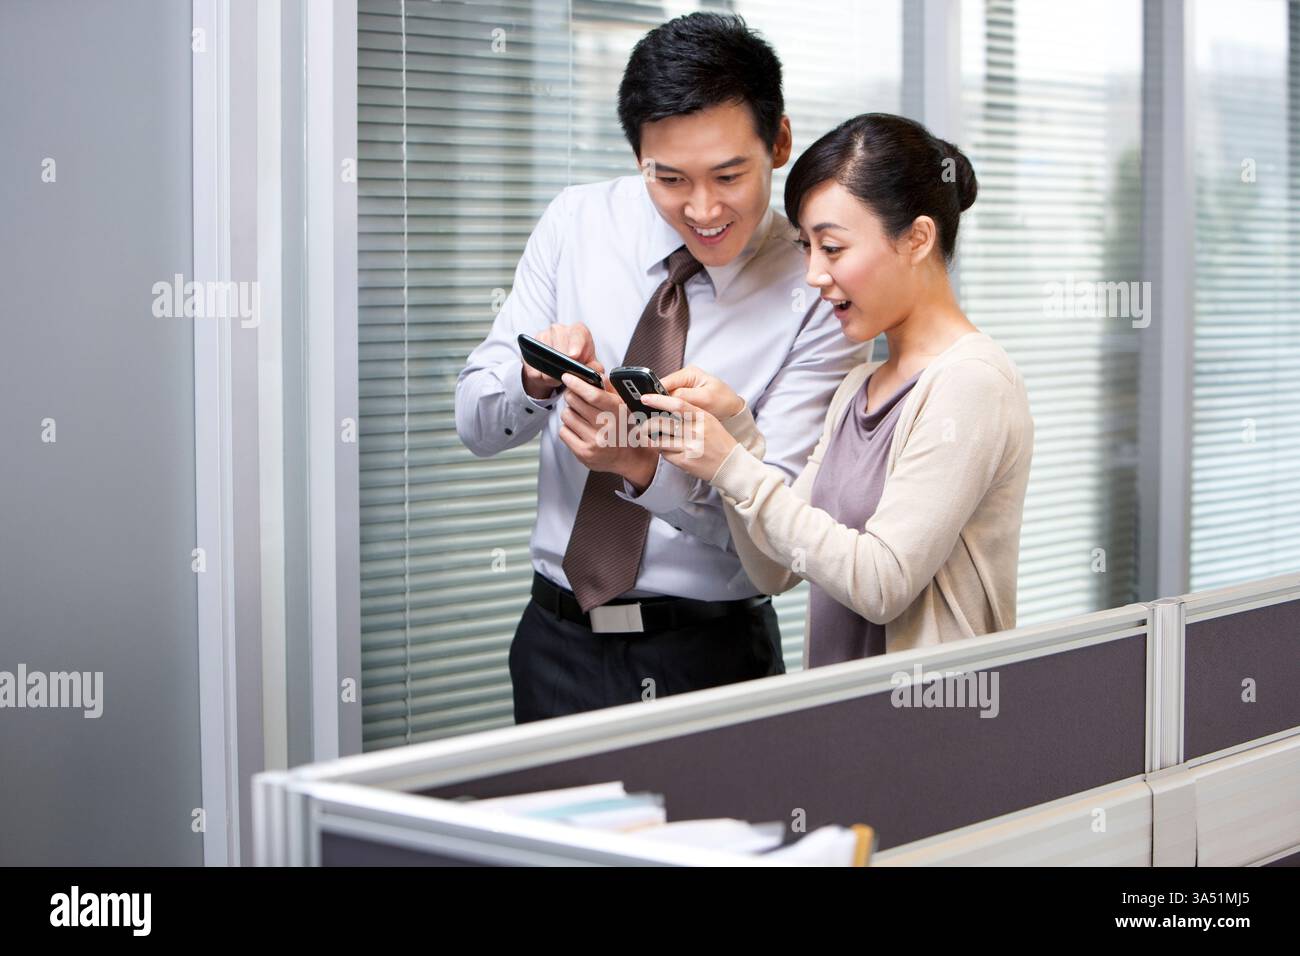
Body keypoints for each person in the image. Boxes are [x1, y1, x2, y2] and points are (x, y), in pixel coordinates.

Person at [454, 13, 870, 721]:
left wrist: (644, 468)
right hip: (555, 644)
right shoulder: (575, 224)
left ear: (780, 143)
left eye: (729, 176)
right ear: (637, 156)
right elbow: (474, 423)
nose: (702, 209)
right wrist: (537, 380)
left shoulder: (819, 289)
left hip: (711, 659)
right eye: (669, 177)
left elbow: (780, 533)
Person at [639, 112, 1034, 666]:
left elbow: (881, 583)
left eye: (833, 247)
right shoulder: (858, 388)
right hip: (844, 722)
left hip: (935, 730)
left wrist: (731, 465)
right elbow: (775, 569)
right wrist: (739, 435)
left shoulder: (971, 383)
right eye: (806, 246)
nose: (813, 274)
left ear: (918, 238)